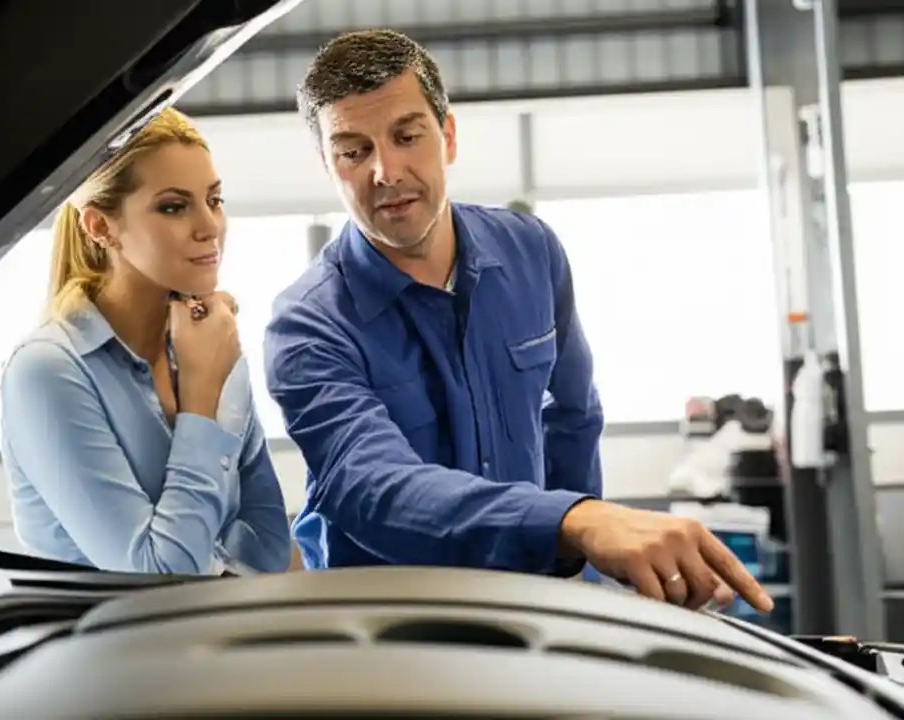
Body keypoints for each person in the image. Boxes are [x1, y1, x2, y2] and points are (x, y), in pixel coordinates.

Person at [264, 29, 773, 613]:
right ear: (328, 165)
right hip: (387, 630)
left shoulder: (531, 252)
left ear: (448, 136)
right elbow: (372, 485)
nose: (386, 170)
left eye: (408, 136)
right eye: (354, 151)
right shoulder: (307, 325)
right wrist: (574, 522)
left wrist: (577, 565)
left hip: (531, 610)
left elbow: (574, 416)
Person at [0, 107, 291, 575]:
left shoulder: (209, 342)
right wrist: (200, 403)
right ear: (100, 226)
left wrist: (202, 551)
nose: (209, 226)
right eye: (174, 207)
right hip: (102, 644)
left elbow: (272, 549)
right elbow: (159, 577)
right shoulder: (47, 370)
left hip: (221, 635)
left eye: (214, 200)